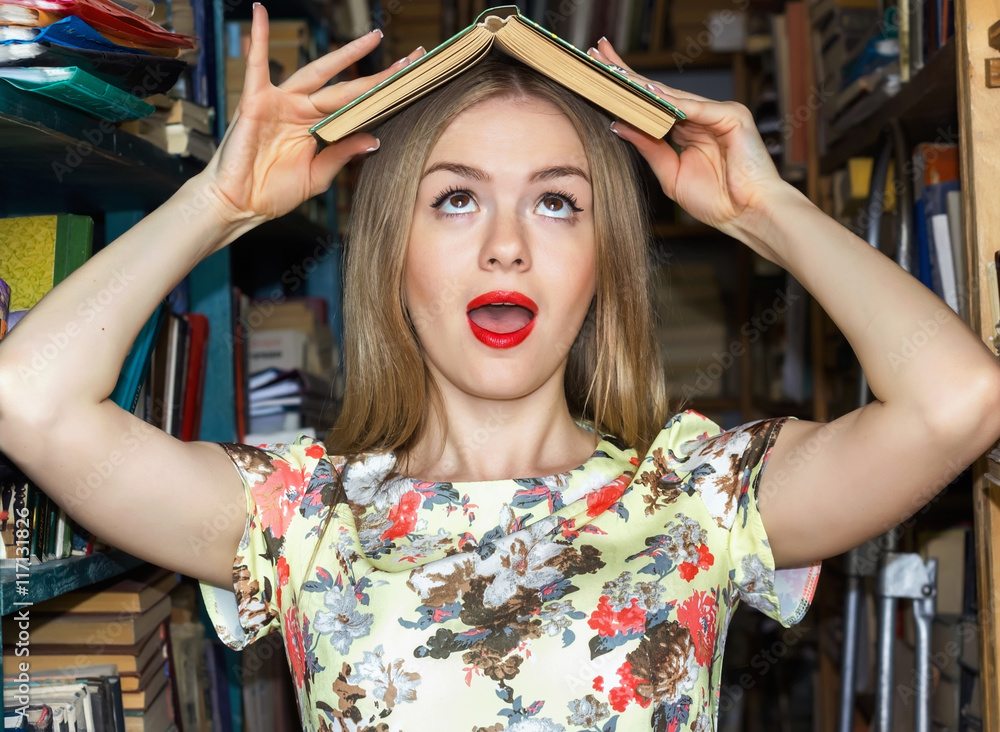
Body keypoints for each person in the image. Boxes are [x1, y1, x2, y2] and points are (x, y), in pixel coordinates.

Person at [1, 5, 998, 731]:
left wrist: (763, 213)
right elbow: (27, 399)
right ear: (392, 252)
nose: (508, 246)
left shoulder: (703, 491)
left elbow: (958, 400)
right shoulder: (297, 511)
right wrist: (219, 206)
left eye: (557, 202)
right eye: (455, 200)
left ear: (602, 256)